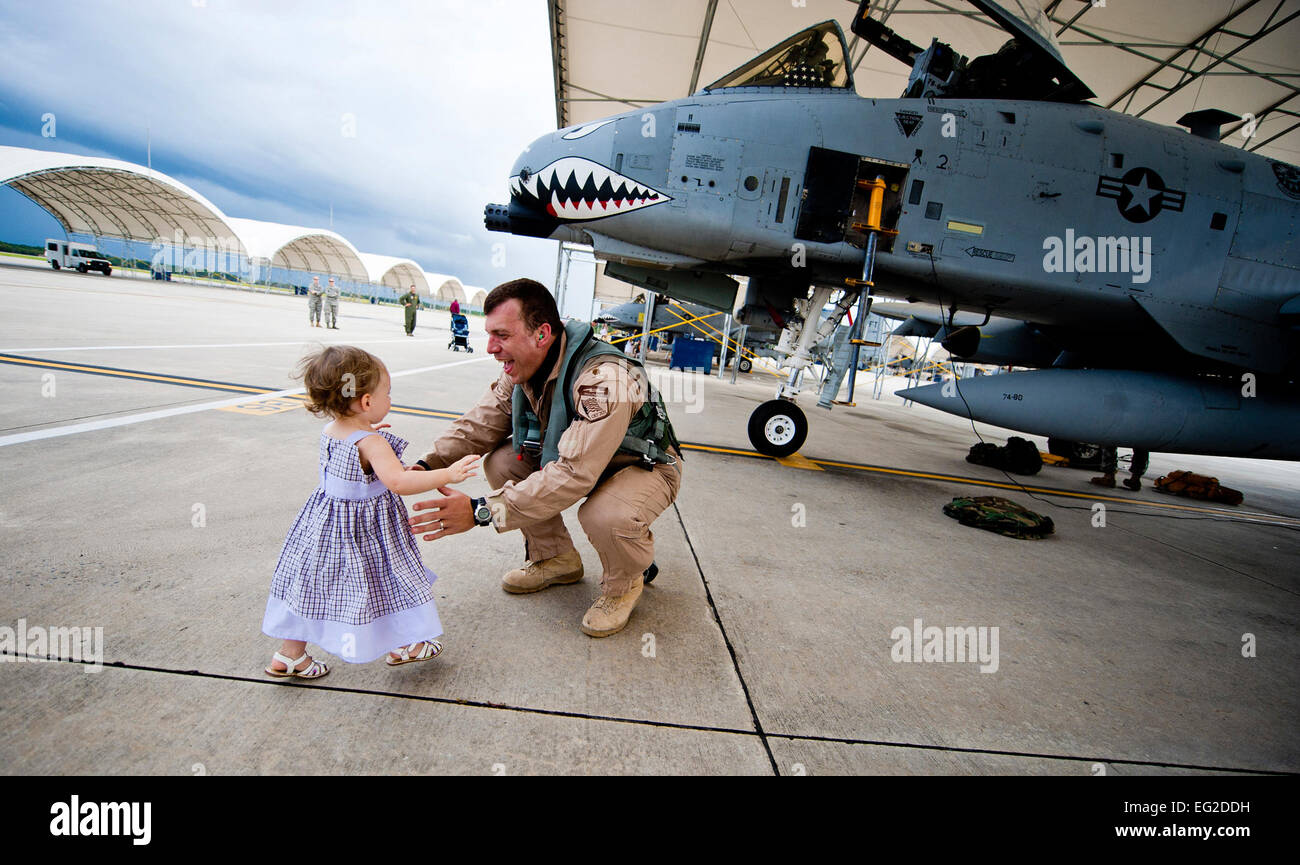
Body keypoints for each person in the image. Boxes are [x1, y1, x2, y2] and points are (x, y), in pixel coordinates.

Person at [407, 278, 682, 638]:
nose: (490, 347)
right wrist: (426, 466)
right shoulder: (523, 369)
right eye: (489, 334)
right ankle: (556, 558)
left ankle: (625, 584)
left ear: (542, 334)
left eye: (502, 335)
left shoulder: (604, 382)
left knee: (604, 514)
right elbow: (481, 423)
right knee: (501, 461)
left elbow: (574, 475)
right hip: (585, 462)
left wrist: (481, 510)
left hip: (641, 469)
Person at [262, 344, 480, 679]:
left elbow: (359, 472)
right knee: (387, 582)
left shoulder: (333, 431)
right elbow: (398, 482)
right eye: (387, 394)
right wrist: (448, 474)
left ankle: (290, 655)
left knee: (313, 587)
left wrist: (371, 436)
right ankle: (406, 643)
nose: (389, 400)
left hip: (324, 528)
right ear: (366, 402)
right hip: (367, 532)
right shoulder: (371, 443)